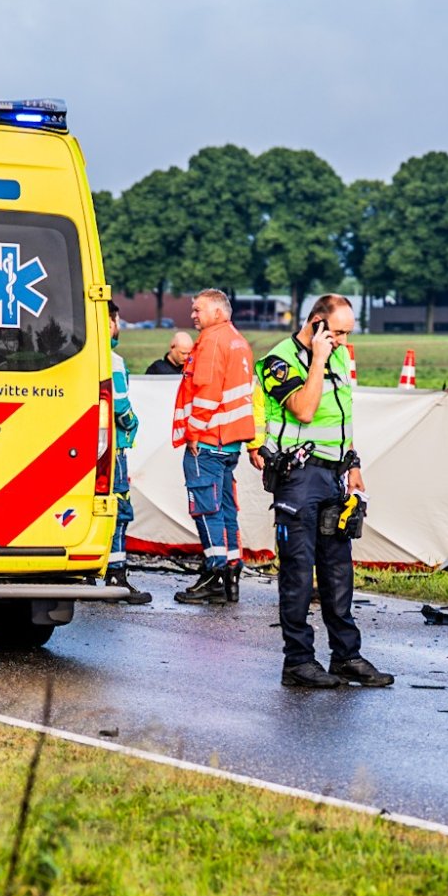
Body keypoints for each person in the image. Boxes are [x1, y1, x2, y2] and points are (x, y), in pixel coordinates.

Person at [250, 294, 392, 688]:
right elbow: (306, 410)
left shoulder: (341, 356)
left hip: (334, 476)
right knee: (297, 573)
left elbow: (342, 415)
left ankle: (346, 656)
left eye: (348, 333)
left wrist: (353, 463)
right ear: (315, 323)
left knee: (337, 570)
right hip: (298, 479)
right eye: (338, 332)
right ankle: (297, 661)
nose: (344, 342)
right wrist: (316, 358)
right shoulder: (278, 361)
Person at [170, 290, 254, 606]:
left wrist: (193, 432)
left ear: (218, 312)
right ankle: (231, 569)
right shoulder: (237, 340)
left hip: (207, 439)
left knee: (206, 507)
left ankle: (215, 574)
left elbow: (206, 392)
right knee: (226, 509)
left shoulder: (212, 340)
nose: (193, 315)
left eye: (198, 309)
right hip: (229, 442)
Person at [104, 300, 152, 604]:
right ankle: (116, 575)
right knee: (120, 511)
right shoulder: (113, 359)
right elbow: (121, 407)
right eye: (117, 320)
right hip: (114, 448)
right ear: (109, 322)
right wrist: (134, 424)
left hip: (86, 445)